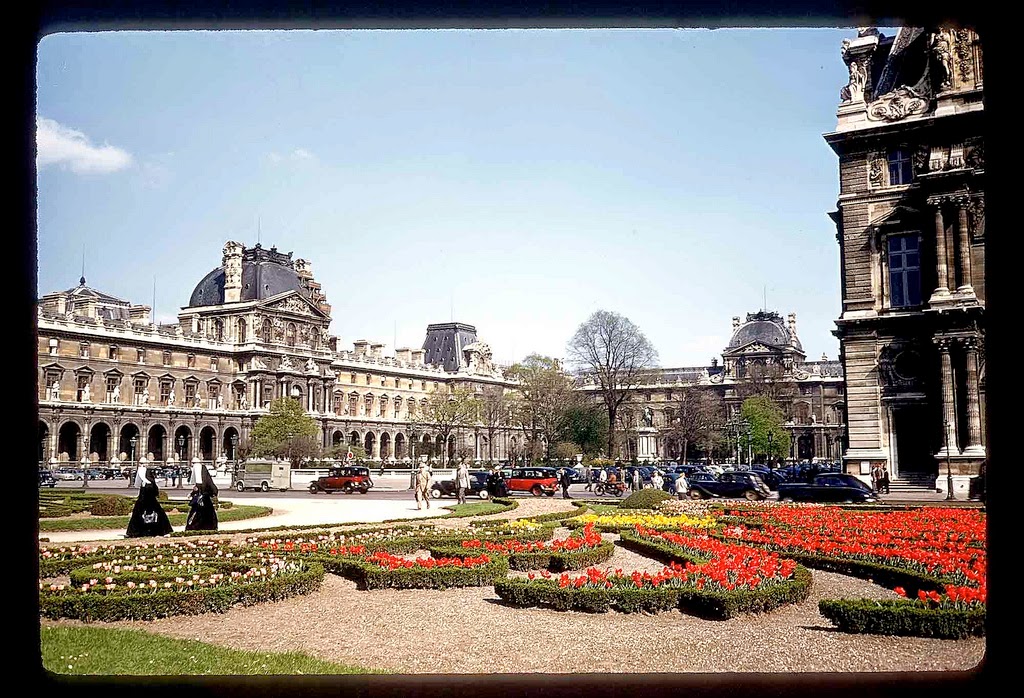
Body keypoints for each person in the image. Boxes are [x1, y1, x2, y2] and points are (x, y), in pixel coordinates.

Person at [125, 463, 173, 538]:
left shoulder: (149, 483)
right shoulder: (146, 482)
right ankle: (134, 532)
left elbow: (152, 493)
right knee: (139, 516)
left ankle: (162, 531)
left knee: (155, 516)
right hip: (146, 502)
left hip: (149, 502)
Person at [185, 461, 219, 531]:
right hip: (203, 500)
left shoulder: (204, 478)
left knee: (199, 515)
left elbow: (210, 488)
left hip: (203, 500)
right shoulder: (204, 476)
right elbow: (212, 488)